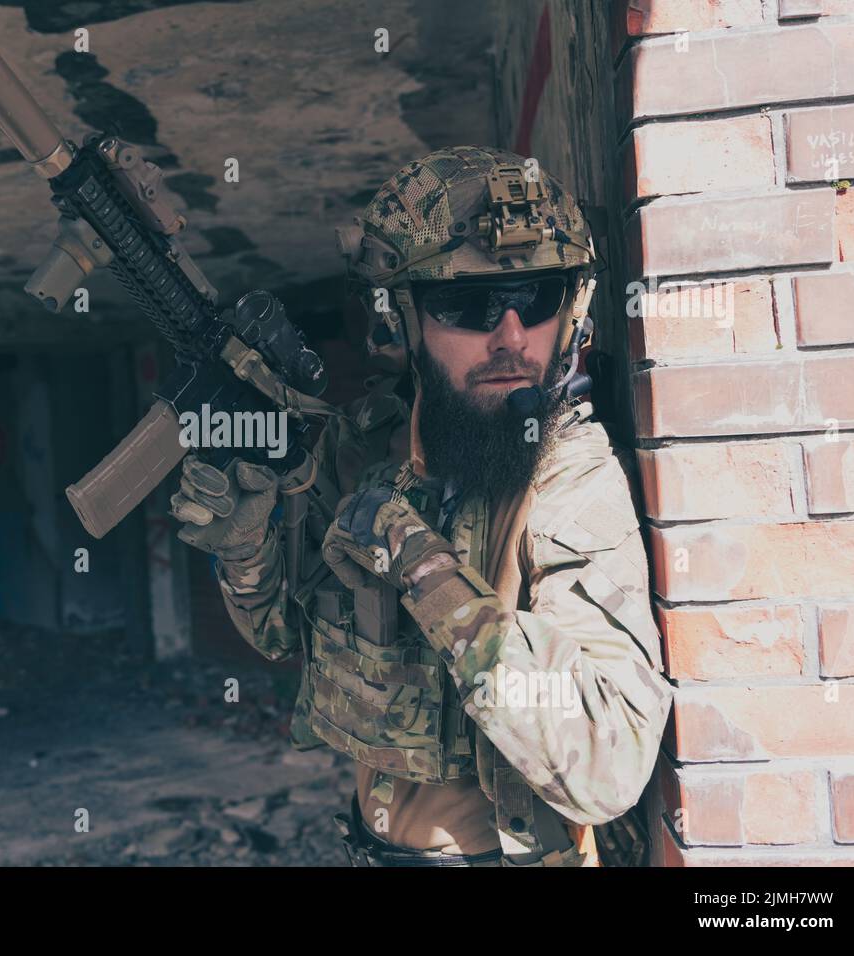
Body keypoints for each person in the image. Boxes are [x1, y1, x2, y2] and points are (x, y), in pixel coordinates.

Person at [169, 146, 674, 867]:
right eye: (466, 305)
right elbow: (286, 633)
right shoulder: (370, 442)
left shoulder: (570, 476)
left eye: (536, 299)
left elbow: (608, 763)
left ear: (573, 311)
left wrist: (421, 563)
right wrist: (248, 546)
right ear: (403, 318)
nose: (508, 335)